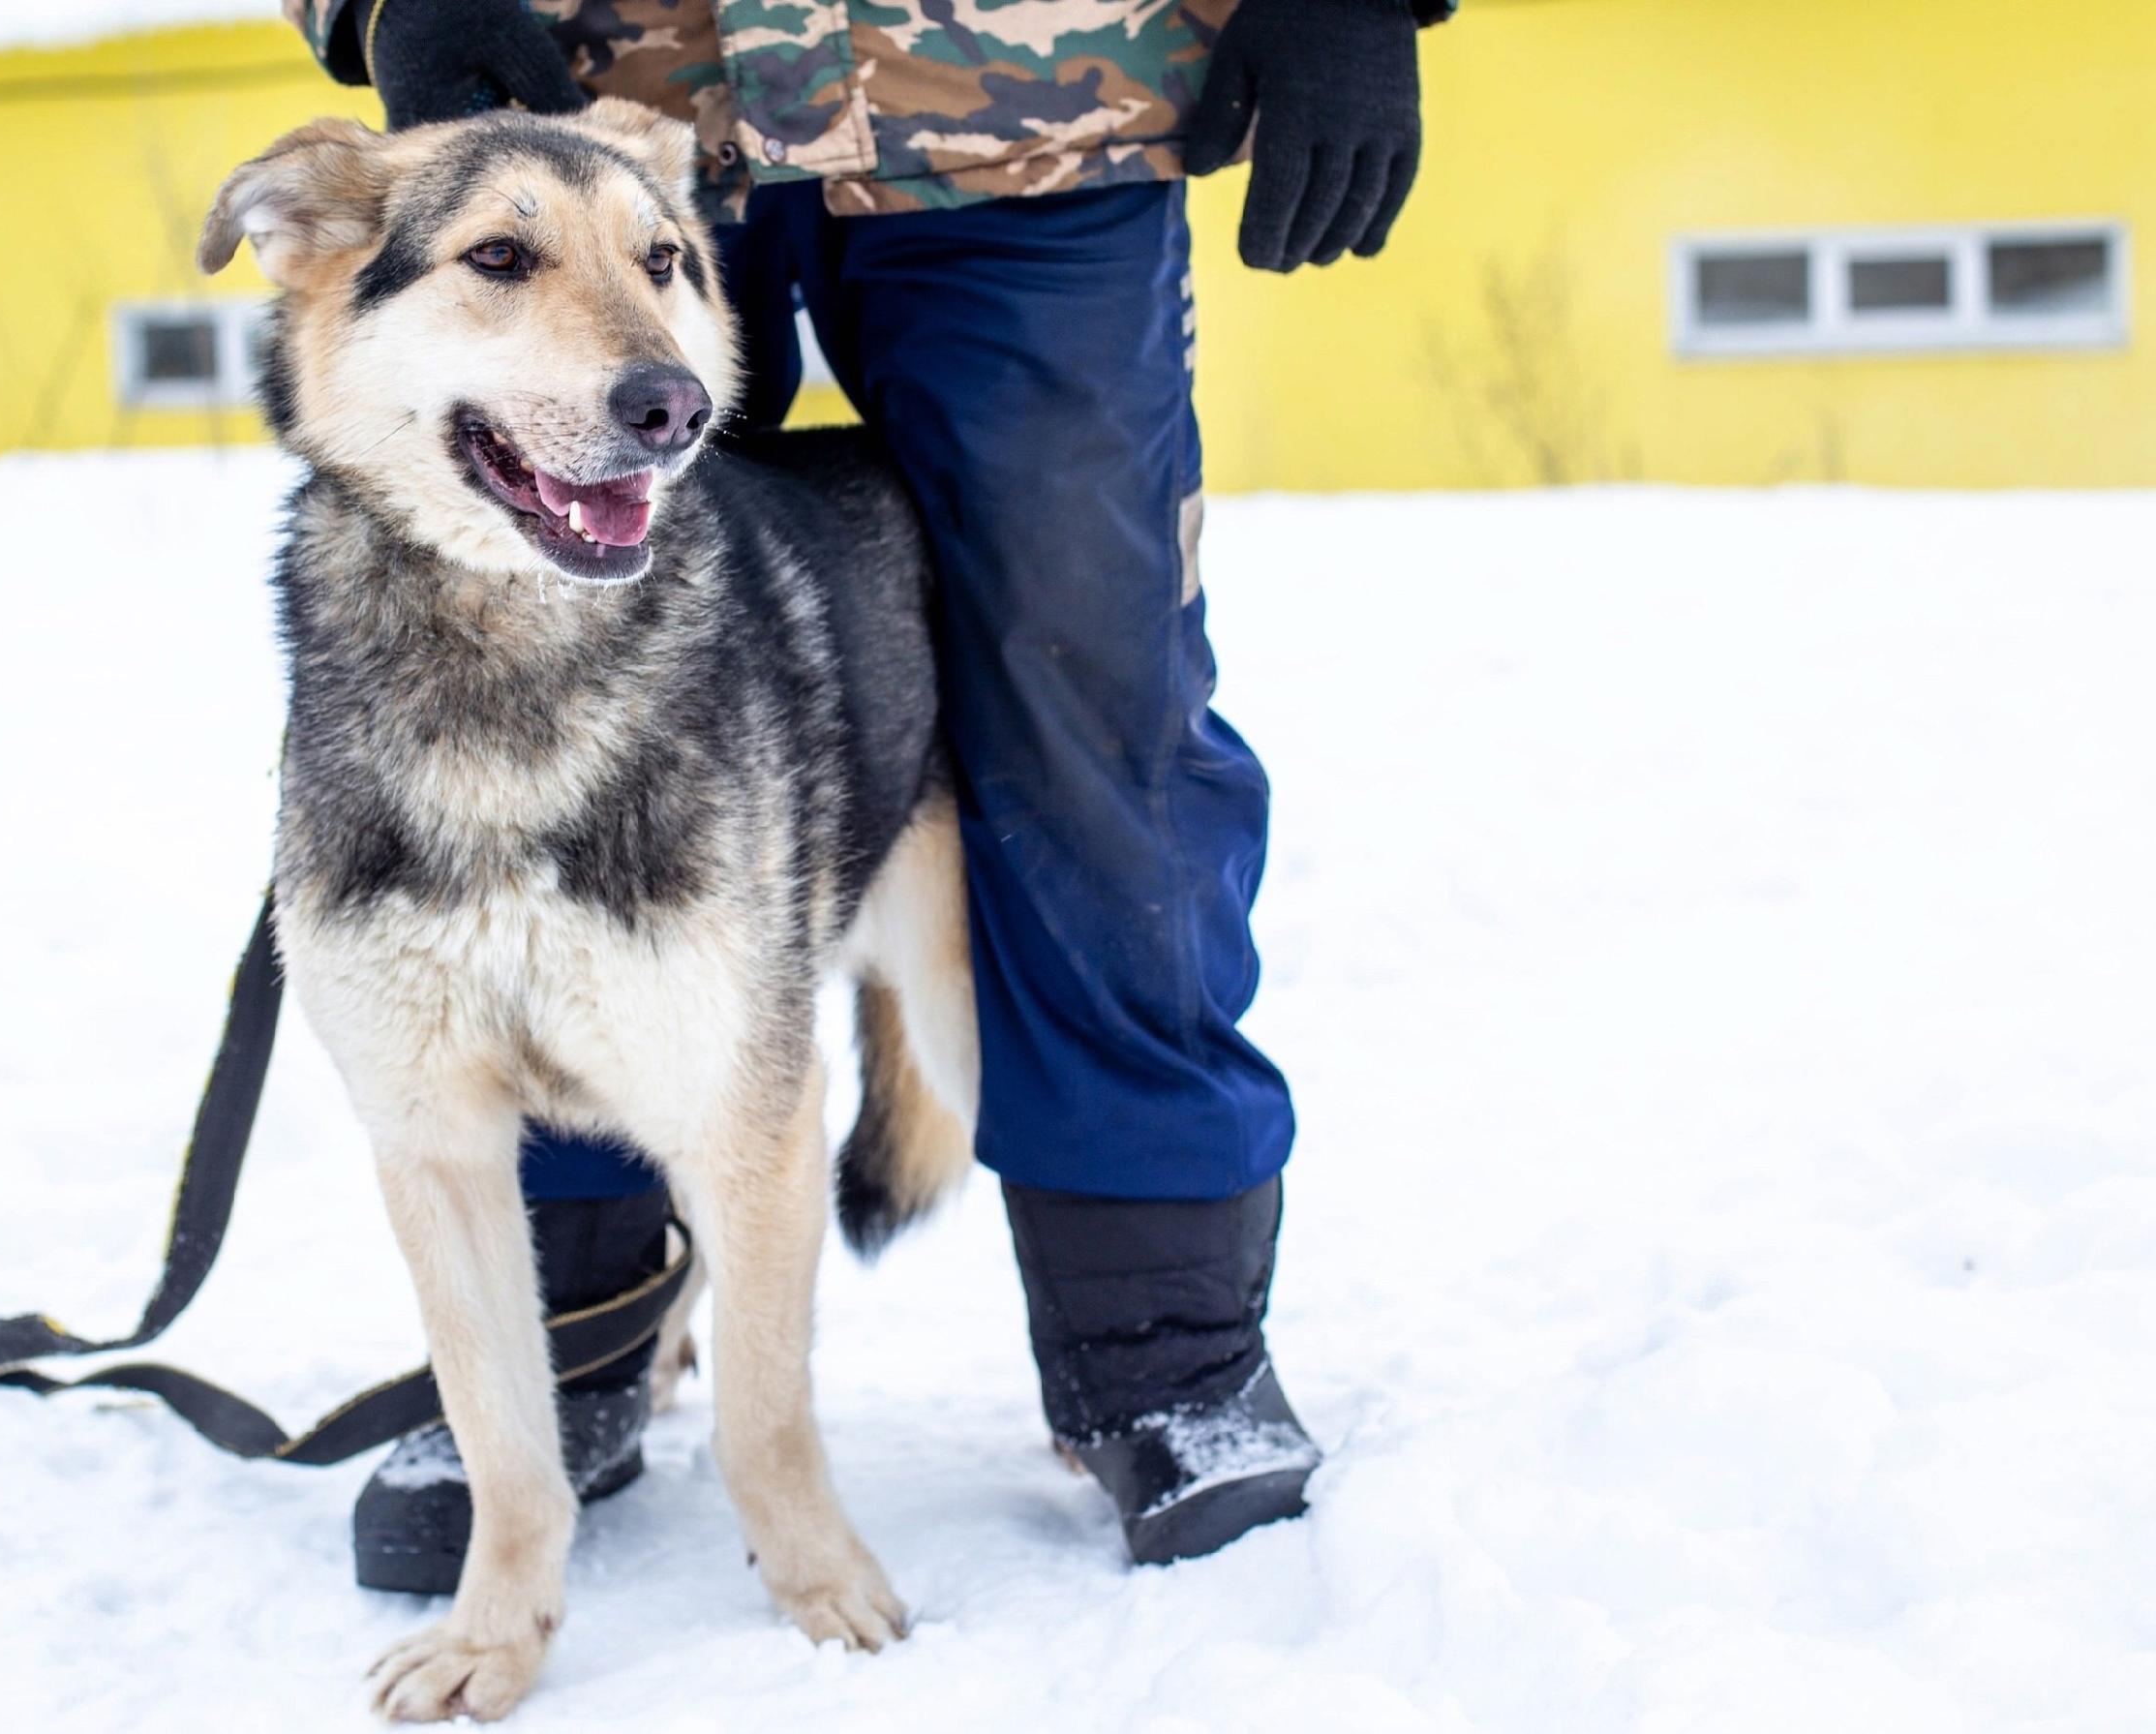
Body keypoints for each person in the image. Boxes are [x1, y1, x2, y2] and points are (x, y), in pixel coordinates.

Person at [279, 0, 1448, 1592]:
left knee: (1092, 724)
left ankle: (1160, 1348)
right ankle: (576, 1327)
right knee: (536, 698)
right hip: (607, 91)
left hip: (1037, 108)